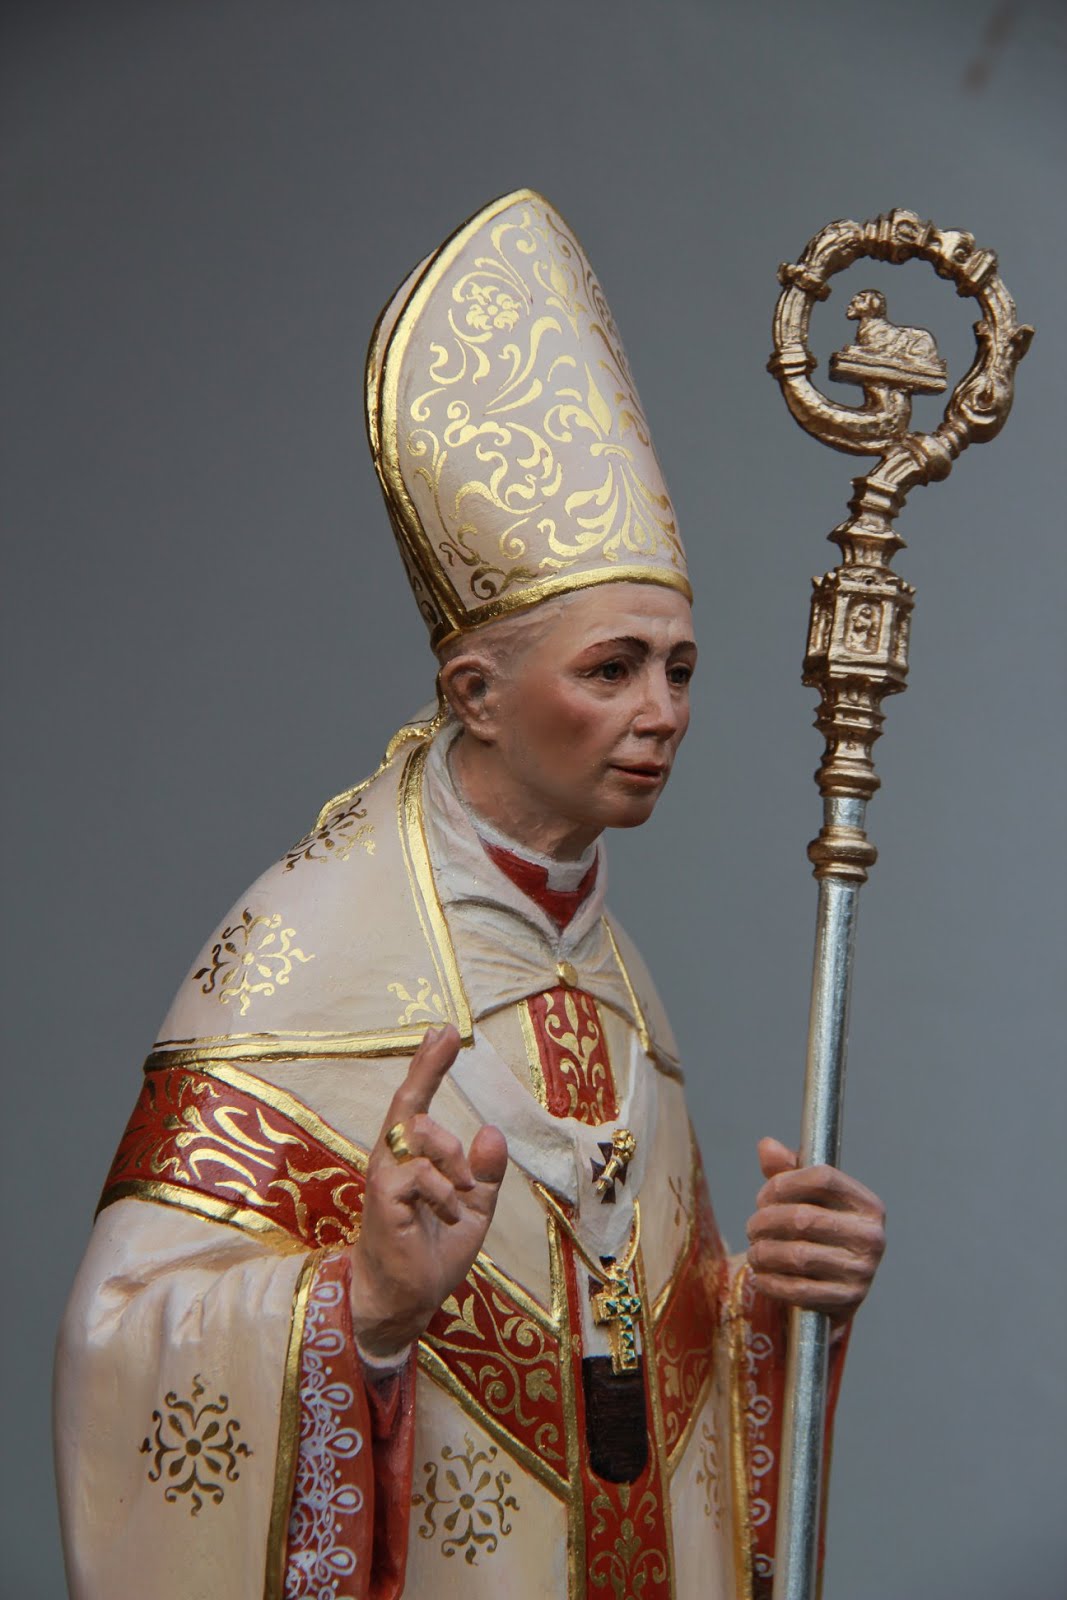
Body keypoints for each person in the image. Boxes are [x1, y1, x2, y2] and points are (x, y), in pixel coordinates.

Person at [55, 188, 885, 1600]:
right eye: (612, 668)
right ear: (473, 696)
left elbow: (635, 1380)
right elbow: (123, 1342)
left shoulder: (613, 976)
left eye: (679, 668)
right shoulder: (308, 951)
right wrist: (359, 1312)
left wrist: (772, 1311)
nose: (663, 710)